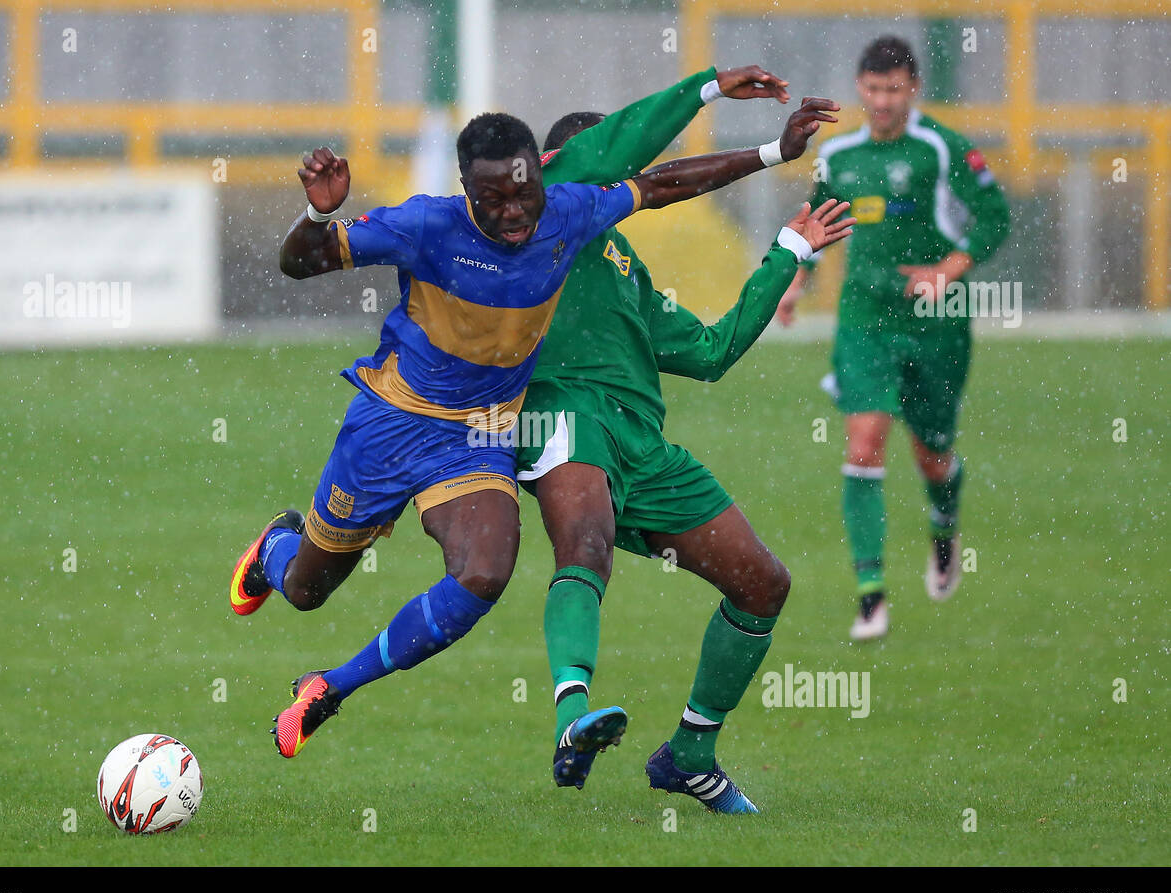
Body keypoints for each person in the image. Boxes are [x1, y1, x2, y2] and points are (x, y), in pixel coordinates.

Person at [230, 101, 811, 761]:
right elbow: (300, 262)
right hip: (389, 427)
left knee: (484, 573)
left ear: (542, 175)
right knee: (309, 589)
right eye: (493, 196)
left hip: (477, 436)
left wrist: (774, 169)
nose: (514, 209)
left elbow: (667, 195)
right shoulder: (430, 223)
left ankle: (332, 687)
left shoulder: (582, 229)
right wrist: (320, 214)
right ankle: (278, 549)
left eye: (523, 190)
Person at [518, 99, 851, 812]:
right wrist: (757, 139)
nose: (617, 180)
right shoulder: (533, 231)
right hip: (564, 419)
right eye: (602, 164)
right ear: (553, 173)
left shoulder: (623, 263)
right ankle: (569, 717)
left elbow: (709, 352)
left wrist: (788, 252)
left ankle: (690, 753)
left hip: (643, 449)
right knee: (584, 544)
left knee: (763, 585)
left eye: (624, 170)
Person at [776, 36, 1010, 641]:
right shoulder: (840, 157)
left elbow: (995, 218)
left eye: (895, 90)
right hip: (864, 320)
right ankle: (870, 594)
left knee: (932, 455)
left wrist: (946, 271)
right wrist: (795, 282)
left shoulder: (941, 146)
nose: (883, 102)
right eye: (874, 90)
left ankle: (943, 525)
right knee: (865, 438)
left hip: (936, 325)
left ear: (913, 90)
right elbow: (817, 224)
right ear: (861, 88)